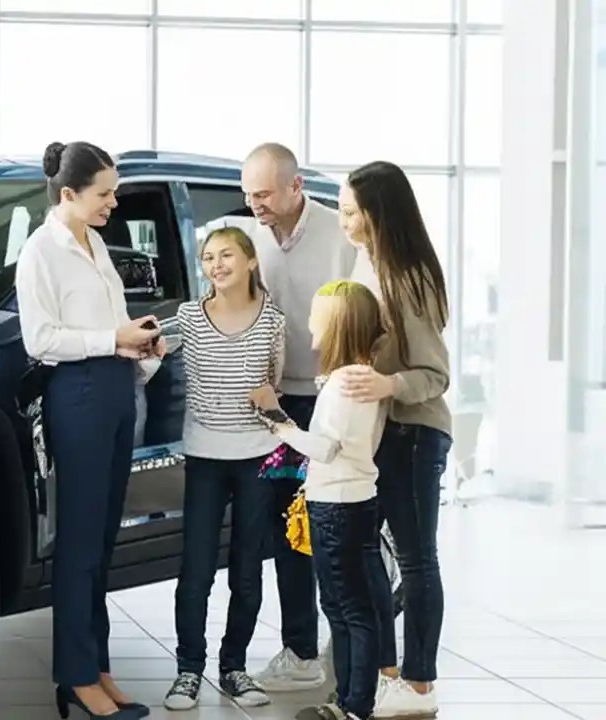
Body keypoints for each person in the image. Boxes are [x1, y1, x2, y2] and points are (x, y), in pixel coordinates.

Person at [15, 140, 162, 719]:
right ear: (70, 194)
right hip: (75, 395)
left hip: (115, 390)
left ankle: (97, 668)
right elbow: (41, 340)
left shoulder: (95, 242)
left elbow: (110, 323)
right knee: (78, 543)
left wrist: (139, 341)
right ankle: (76, 678)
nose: (114, 202)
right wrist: (113, 340)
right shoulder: (40, 253)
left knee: (103, 540)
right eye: (105, 193)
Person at [224, 142, 358, 691]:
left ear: (295, 186)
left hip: (329, 401)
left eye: (263, 193)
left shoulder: (339, 237)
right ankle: (301, 649)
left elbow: (363, 313)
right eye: (247, 193)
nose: (253, 203)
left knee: (335, 526)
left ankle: (348, 638)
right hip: (276, 405)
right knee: (290, 528)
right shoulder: (252, 237)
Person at [336, 160, 453, 719]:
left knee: (416, 559)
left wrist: (385, 382)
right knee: (367, 557)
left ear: (377, 214)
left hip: (415, 432)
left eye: (350, 210)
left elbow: (434, 375)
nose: (342, 219)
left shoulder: (409, 276)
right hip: (379, 432)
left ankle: (420, 685)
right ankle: (387, 674)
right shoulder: (364, 261)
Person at [251, 279, 390, 720]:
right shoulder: (354, 375)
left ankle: (353, 706)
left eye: (318, 313)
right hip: (349, 502)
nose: (309, 320)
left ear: (338, 323)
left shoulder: (345, 381)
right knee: (343, 607)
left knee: (349, 609)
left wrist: (276, 421)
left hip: (338, 506)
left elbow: (326, 447)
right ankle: (347, 700)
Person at [162, 226, 283, 712]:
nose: (215, 264)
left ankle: (234, 668)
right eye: (208, 257)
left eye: (226, 255)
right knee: (195, 572)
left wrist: (271, 406)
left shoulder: (273, 321)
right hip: (205, 457)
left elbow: (273, 389)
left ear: (251, 261)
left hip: (255, 456)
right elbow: (152, 359)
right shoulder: (189, 317)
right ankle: (188, 670)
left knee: (247, 570)